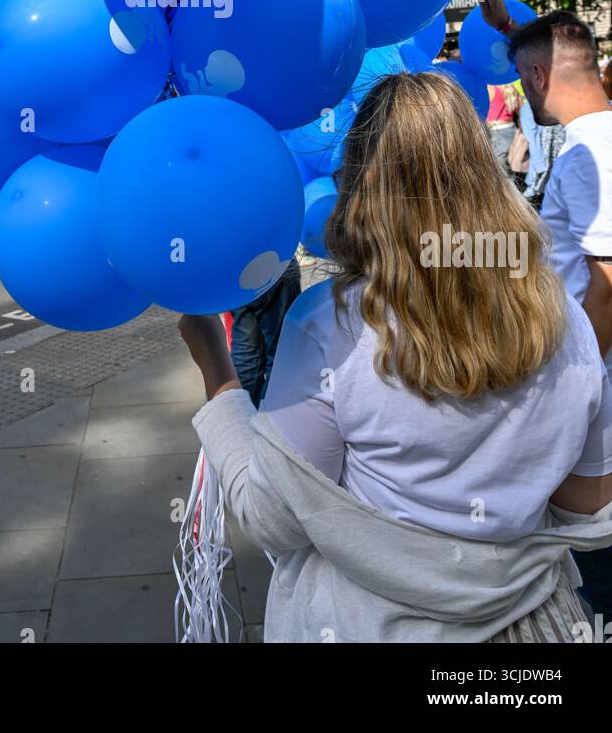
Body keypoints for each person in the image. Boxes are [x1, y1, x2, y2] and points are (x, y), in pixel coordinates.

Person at [180, 72, 612, 643]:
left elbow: (271, 517)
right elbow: (588, 502)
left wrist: (218, 374)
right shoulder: (566, 318)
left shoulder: (328, 326)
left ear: (360, 184)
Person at [480, 0, 612, 618]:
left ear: (536, 76)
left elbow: (609, 283)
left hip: (594, 391)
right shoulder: (596, 139)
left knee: (596, 563)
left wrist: (573, 383)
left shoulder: (590, 153)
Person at [229, 260, 301, 406]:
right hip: (275, 262)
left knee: (246, 354)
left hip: (235, 267)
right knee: (280, 355)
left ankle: (245, 415)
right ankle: (269, 417)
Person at [519, 97, 565, 209]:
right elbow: (532, 138)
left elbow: (532, 137)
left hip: (549, 169)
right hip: (550, 169)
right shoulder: (529, 108)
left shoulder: (530, 107)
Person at [486, 80, 521, 172]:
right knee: (508, 166)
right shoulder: (511, 89)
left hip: (495, 131)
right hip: (511, 129)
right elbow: (521, 109)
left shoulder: (490, 88)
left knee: (497, 168)